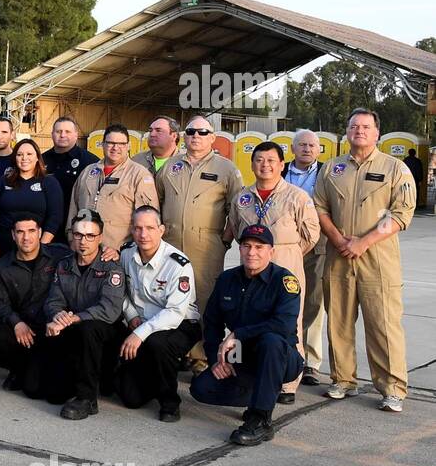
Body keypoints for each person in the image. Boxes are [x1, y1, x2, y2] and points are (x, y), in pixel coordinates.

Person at [314, 108, 416, 412]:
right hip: (338, 256)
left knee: (383, 324)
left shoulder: (395, 168)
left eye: (366, 126)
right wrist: (338, 239)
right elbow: (319, 206)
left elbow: (402, 212)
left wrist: (363, 242)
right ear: (346, 132)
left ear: (377, 133)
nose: (359, 130)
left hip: (378, 260)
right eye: (354, 126)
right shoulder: (332, 169)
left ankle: (392, 388)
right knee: (338, 322)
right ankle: (343, 380)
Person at [190, 224, 304, 446]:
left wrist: (239, 333)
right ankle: (260, 394)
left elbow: (283, 325)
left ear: (271, 251)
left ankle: (260, 418)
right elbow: (212, 323)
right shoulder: (227, 279)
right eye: (246, 246)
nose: (252, 252)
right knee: (201, 389)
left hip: (281, 358)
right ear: (239, 249)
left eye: (259, 247)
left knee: (271, 340)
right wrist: (215, 361)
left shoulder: (284, 282)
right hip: (241, 355)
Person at [228, 141, 320, 402]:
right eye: (259, 160)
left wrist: (284, 254)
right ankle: (248, 374)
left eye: (271, 160)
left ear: (282, 165)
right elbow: (236, 230)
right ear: (252, 164)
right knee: (248, 321)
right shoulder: (242, 197)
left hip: (286, 269)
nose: (264, 165)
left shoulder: (297, 197)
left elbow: (311, 235)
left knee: (289, 325)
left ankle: (288, 384)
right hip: (251, 271)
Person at [156, 115, 244, 370]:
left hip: (207, 246)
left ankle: (201, 356)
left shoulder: (226, 169)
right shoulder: (171, 166)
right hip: (171, 244)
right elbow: (158, 200)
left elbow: (237, 209)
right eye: (191, 131)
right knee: (171, 296)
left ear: (212, 137)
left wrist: (224, 240)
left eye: (202, 132)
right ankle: (174, 351)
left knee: (204, 300)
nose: (196, 136)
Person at [113, 205, 200, 421]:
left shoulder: (177, 263)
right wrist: (131, 314)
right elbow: (120, 292)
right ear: (132, 230)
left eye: (150, 228)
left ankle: (169, 402)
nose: (144, 234)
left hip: (180, 323)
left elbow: (174, 312)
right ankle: (149, 376)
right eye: (138, 228)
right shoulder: (126, 254)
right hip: (140, 322)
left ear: (161, 230)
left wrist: (140, 333)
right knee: (130, 399)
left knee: (158, 344)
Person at [40, 210, 126, 420]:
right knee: (53, 395)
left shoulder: (111, 268)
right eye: (78, 235)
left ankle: (87, 398)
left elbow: (109, 309)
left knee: (89, 329)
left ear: (100, 238)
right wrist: (59, 316)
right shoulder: (65, 264)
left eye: (90, 236)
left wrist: (73, 319)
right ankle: (72, 381)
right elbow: (54, 300)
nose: (83, 241)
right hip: (72, 329)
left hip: (104, 333)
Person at [0, 214, 69, 397]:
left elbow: (86, 254)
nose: (26, 237)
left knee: (37, 390)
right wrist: (16, 322)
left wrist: (108, 251)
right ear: (13, 235)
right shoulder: (4, 266)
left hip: (52, 329)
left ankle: (36, 370)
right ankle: (20, 368)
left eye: (31, 231)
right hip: (26, 330)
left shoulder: (59, 254)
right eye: (20, 232)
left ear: (39, 232)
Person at [67, 123, 157, 256]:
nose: (115, 148)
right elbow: (73, 208)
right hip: (83, 251)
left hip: (117, 254)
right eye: (110, 143)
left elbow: (147, 220)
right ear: (103, 144)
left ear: (128, 146)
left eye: (121, 144)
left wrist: (123, 251)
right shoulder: (88, 172)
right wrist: (71, 238)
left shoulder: (139, 175)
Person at [283, 129, 327, 383]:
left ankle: (310, 362)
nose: (307, 149)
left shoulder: (326, 174)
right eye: (302, 144)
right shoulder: (280, 171)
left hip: (316, 245)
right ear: (293, 148)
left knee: (313, 301)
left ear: (319, 149)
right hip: (284, 246)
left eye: (312, 145)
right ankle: (285, 354)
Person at [0, 139, 63, 258]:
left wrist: (42, 247)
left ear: (37, 158)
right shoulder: (3, 181)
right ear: (15, 158)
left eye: (29, 154)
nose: (24, 158)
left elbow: (55, 217)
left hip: (37, 247)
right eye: (19, 154)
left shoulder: (49, 182)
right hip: (3, 247)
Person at [42, 116, 97, 242]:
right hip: (46, 227)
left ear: (76, 135)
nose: (62, 135)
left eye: (67, 132)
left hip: (77, 228)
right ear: (52, 134)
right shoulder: (41, 160)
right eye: (58, 131)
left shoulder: (90, 162)